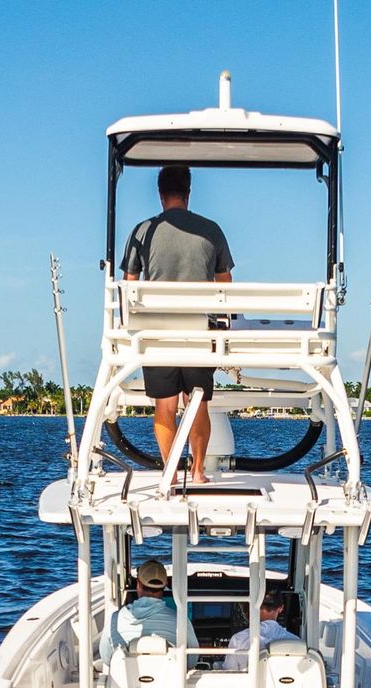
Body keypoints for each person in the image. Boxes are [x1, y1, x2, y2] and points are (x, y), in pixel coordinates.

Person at [122, 164, 234, 477]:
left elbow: (129, 282)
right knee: (197, 402)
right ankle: (198, 471)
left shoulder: (142, 231)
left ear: (160, 194)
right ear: (188, 192)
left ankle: (170, 475)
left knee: (165, 406)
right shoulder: (211, 230)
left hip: (157, 335)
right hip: (198, 331)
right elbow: (225, 283)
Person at [101, 558, 198, 662]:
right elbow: (192, 660)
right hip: (168, 678)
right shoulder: (181, 621)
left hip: (125, 678)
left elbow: (106, 658)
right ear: (165, 585)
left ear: (138, 584)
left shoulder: (114, 620)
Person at [222, 589, 297, 672]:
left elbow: (230, 675)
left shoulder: (238, 639)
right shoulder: (296, 641)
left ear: (249, 608)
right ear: (281, 608)